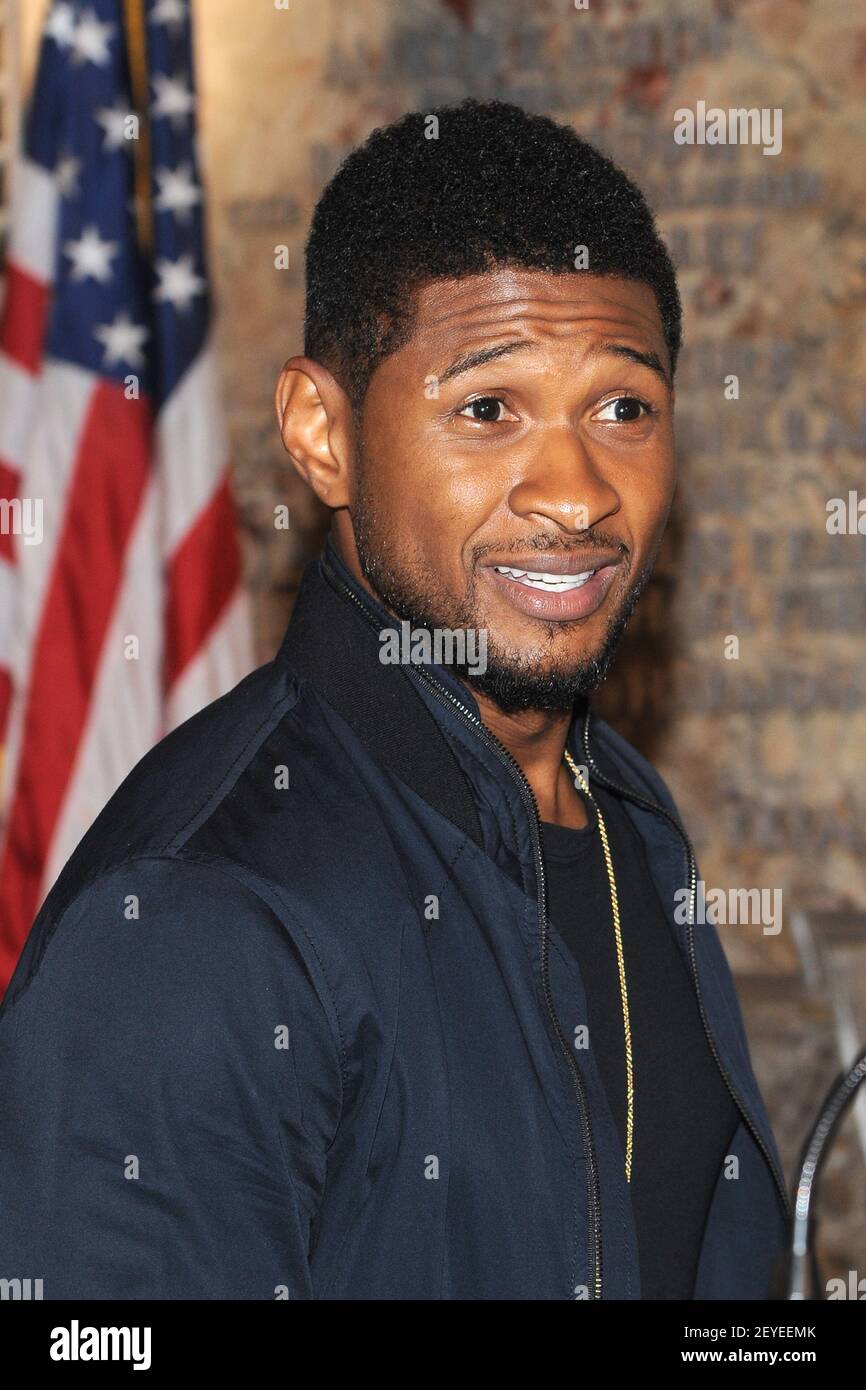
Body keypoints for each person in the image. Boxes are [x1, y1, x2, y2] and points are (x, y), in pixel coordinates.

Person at [0, 98, 789, 1300]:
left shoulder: (628, 816)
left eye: (620, 407)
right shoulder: (194, 918)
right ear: (322, 435)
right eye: (487, 409)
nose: (575, 490)